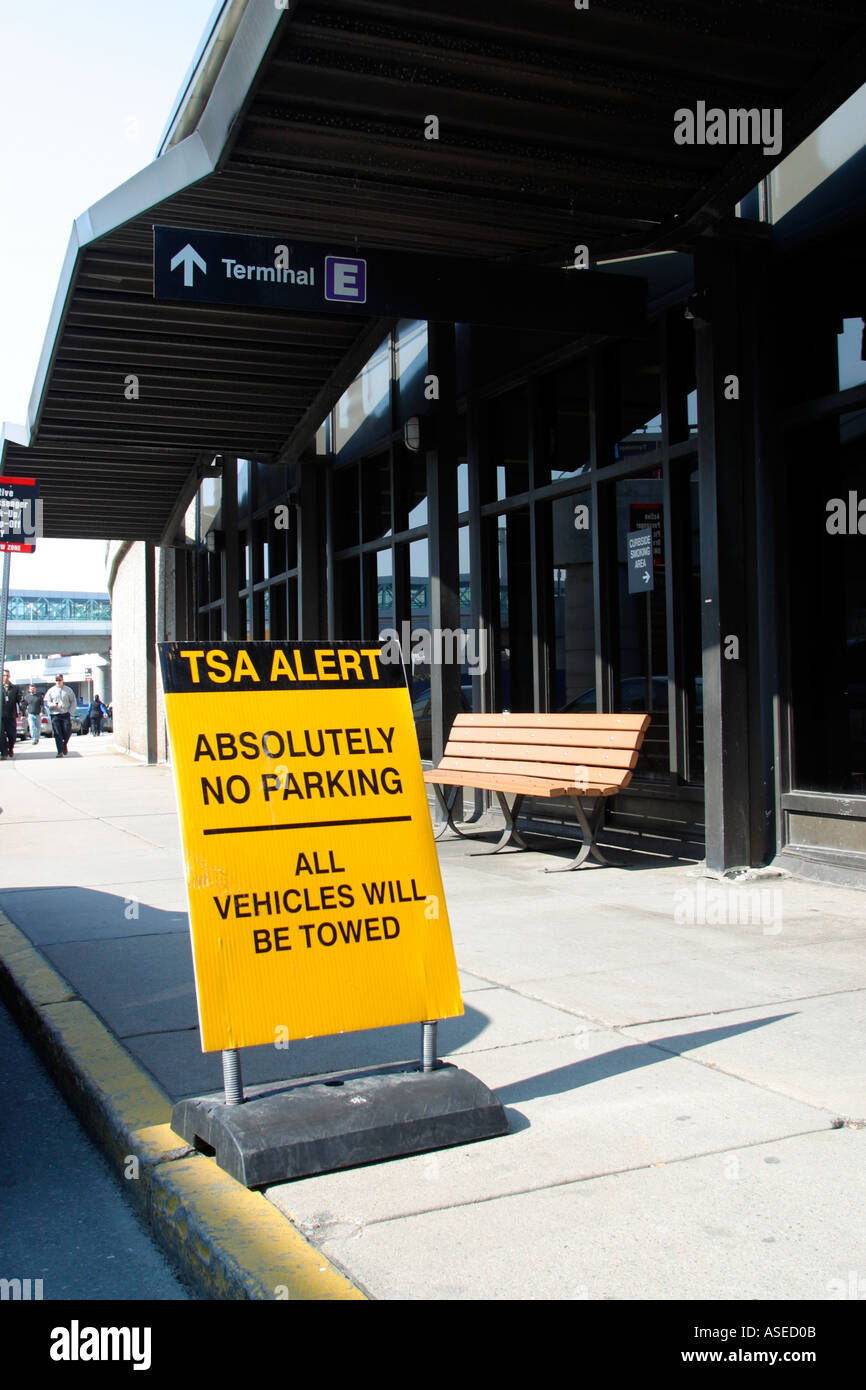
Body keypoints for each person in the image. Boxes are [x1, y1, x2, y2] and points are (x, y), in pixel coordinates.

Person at [44, 674, 76, 757]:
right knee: (57, 733)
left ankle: (64, 744)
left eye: (60, 680)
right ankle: (60, 751)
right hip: (55, 714)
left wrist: (70, 712)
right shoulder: (51, 691)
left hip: (65, 713)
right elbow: (46, 702)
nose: (58, 681)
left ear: (62, 680)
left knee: (67, 731)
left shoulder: (68, 690)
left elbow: (73, 701)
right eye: (56, 680)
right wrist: (52, 705)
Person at [1, 669, 21, 759]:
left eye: (7, 676)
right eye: (4, 675)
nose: (6, 677)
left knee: (12, 735)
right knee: (1, 735)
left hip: (10, 715)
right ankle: (4, 753)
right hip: (1, 716)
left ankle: (10, 748)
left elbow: (20, 700)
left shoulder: (15, 688)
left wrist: (22, 709)